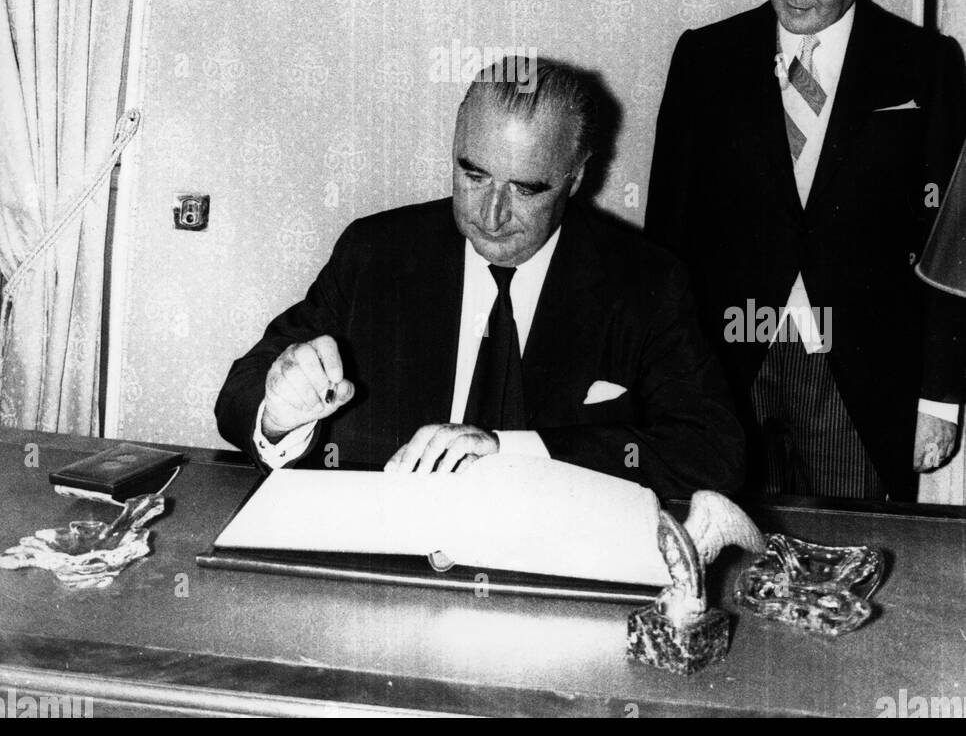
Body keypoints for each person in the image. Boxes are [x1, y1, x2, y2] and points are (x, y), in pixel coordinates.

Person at [215, 59, 745, 501]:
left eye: (526, 189)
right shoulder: (376, 253)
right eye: (473, 175)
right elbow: (242, 391)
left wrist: (510, 450)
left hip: (549, 578)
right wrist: (278, 417)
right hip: (389, 570)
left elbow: (714, 453)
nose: (490, 215)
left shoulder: (644, 282)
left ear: (577, 177)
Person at [645, 0, 966, 501]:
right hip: (726, 369)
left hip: (861, 377)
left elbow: (950, 248)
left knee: (853, 564)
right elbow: (667, 234)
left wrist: (940, 399)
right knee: (726, 558)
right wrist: (661, 382)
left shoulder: (927, 66)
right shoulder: (705, 58)